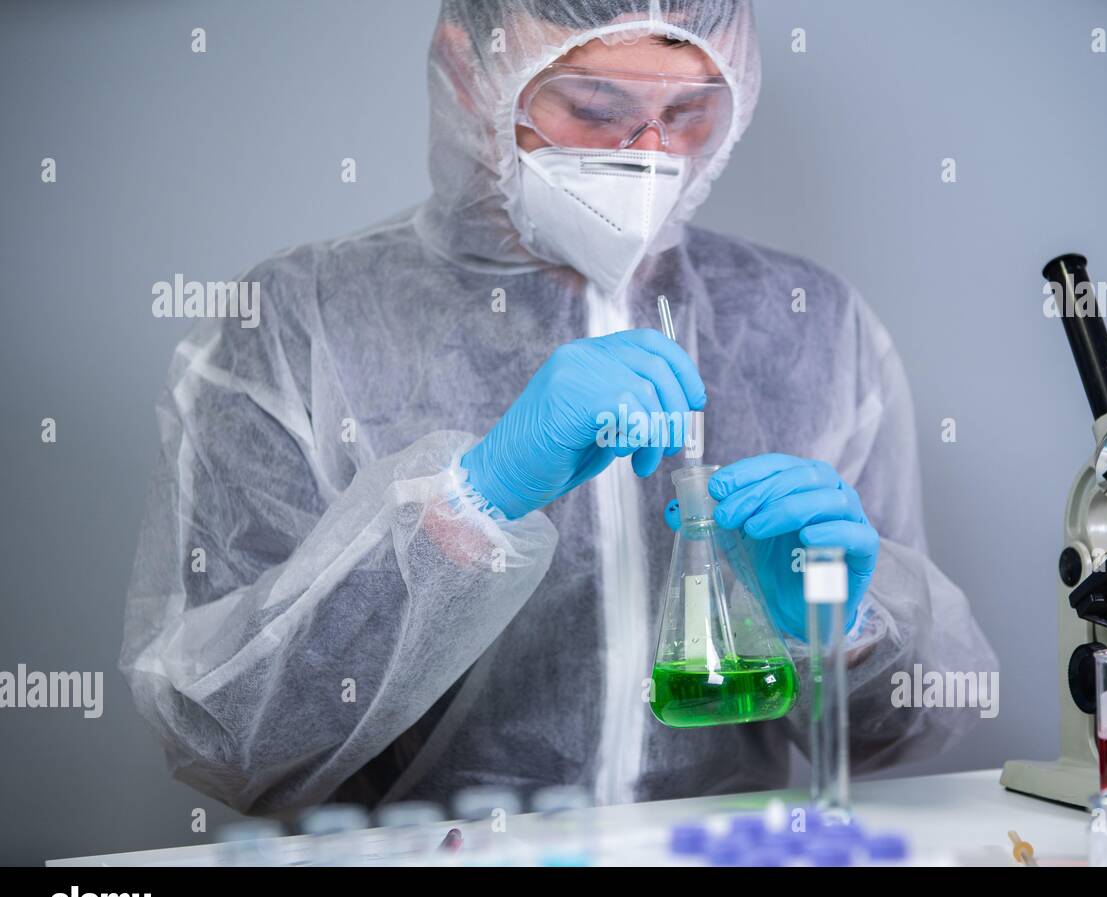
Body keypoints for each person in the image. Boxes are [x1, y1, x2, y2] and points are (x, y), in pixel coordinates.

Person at [121, 0, 996, 814]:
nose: (649, 153)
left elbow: (901, 735)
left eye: (689, 113)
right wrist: (469, 506)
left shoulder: (811, 324)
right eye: (594, 107)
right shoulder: (295, 322)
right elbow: (224, 739)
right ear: (473, 75)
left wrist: (838, 627)